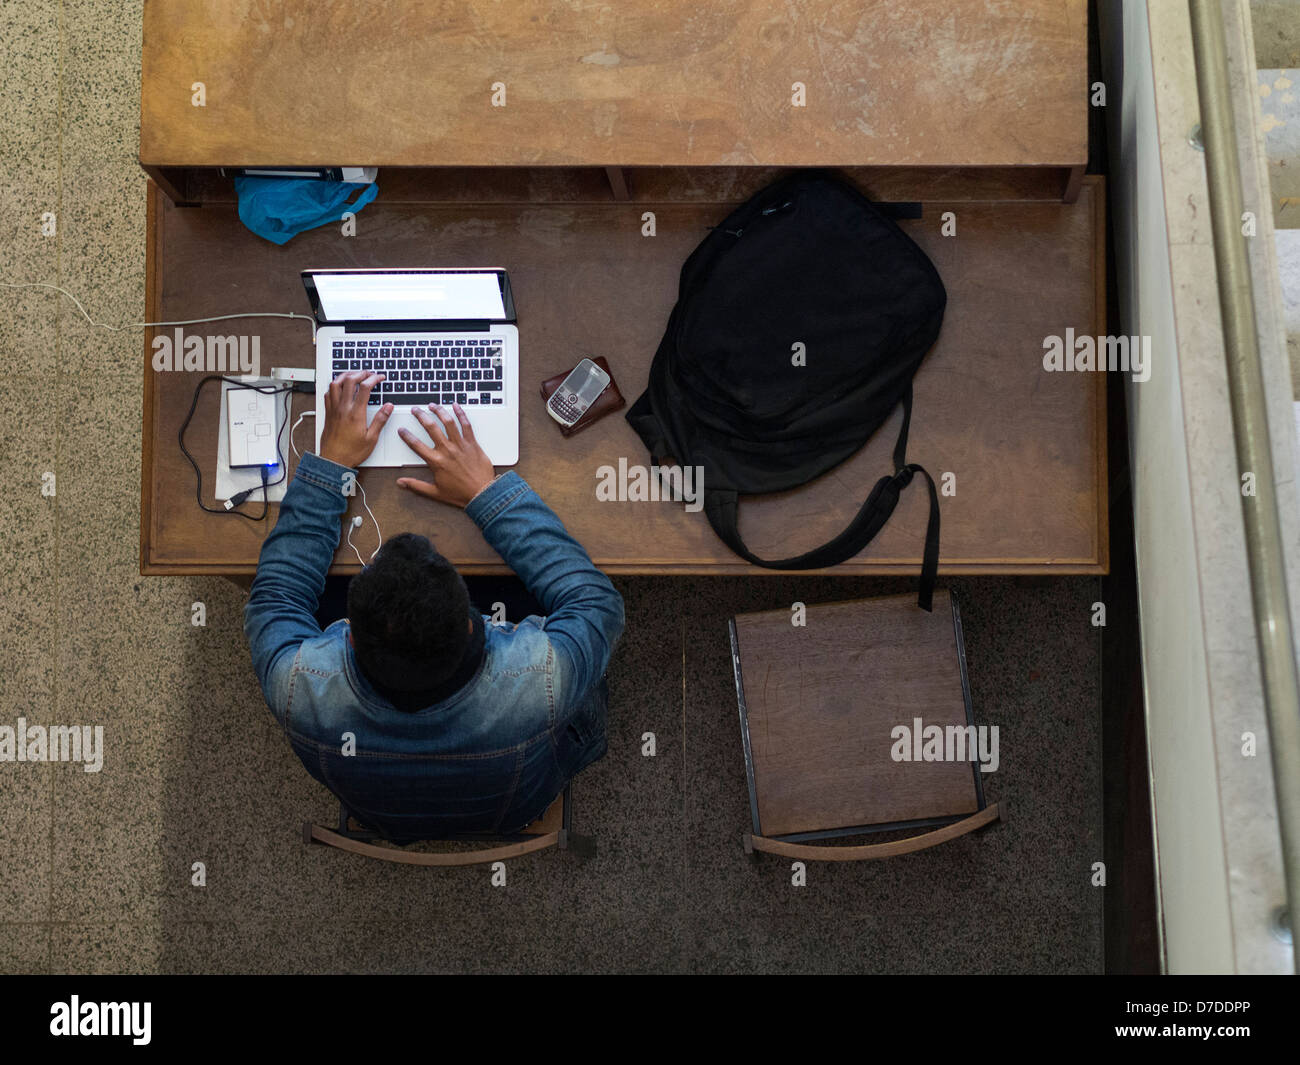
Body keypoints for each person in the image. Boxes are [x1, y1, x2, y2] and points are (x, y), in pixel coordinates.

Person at [244, 370, 624, 841]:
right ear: (472, 624)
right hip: (516, 806)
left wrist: (328, 465)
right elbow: (595, 601)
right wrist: (487, 494)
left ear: (350, 633)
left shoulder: (298, 687)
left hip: (386, 819)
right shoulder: (541, 680)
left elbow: (278, 594)